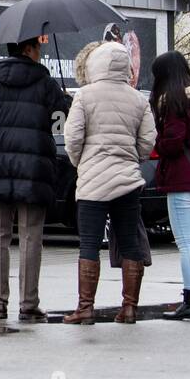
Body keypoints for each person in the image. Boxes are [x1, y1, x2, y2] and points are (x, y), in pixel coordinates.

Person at [0, 36, 71, 322]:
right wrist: (64, 100)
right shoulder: (45, 83)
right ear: (29, 49)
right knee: (31, 237)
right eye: (38, 48)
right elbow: (61, 120)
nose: (41, 53)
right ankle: (28, 304)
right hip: (34, 169)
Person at [62, 42, 156, 324]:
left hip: (92, 182)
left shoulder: (84, 96)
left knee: (89, 244)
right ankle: (129, 308)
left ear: (95, 65)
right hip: (127, 182)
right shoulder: (138, 99)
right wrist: (133, 158)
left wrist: (81, 162)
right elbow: (148, 141)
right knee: (129, 242)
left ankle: (86, 308)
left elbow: (73, 138)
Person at [150, 51, 190, 320]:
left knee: (186, 243)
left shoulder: (174, 103)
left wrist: (157, 143)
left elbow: (173, 143)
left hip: (180, 179)